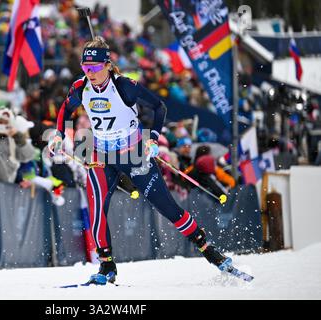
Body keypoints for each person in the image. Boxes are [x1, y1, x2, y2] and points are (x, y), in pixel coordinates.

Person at [48, 36, 229, 285]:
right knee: (97, 208)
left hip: (134, 154)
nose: (89, 73)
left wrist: (153, 138)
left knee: (168, 209)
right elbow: (65, 111)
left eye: (94, 68)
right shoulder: (81, 87)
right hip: (101, 155)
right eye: (85, 68)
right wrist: (59, 135)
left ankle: (208, 250)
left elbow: (159, 107)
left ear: (108, 65)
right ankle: (106, 265)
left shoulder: (125, 86)